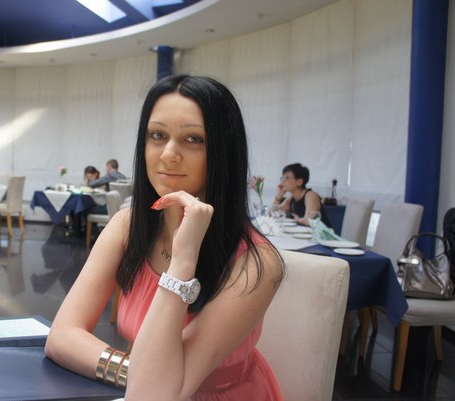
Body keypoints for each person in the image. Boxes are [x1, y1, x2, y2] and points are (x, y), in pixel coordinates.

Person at [45, 75, 284, 401]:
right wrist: (135, 371)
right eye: (157, 135)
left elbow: (155, 395)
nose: (168, 154)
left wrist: (183, 261)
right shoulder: (127, 226)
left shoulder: (256, 263)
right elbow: (61, 337)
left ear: (224, 152)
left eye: (193, 139)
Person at [272, 163, 332, 228]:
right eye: (282, 178)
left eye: (287, 178)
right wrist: (278, 197)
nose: (283, 181)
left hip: (322, 234)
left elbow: (308, 221)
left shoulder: (311, 195)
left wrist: (297, 220)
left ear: (299, 182)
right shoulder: (291, 198)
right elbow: (273, 213)